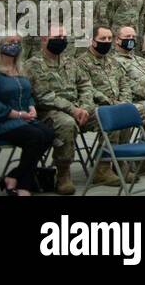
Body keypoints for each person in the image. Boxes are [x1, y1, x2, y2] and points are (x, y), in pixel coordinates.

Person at [25, 24, 96, 195]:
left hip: (78, 109)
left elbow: (85, 85)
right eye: (57, 37)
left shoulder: (70, 61)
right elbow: (44, 96)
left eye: (64, 37)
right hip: (48, 112)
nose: (62, 41)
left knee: (108, 115)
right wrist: (73, 110)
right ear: (44, 39)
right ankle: (63, 173)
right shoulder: (33, 64)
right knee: (66, 123)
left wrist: (85, 107)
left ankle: (104, 165)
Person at [0, 32, 54, 195]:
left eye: (18, 42)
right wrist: (17, 114)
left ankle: (13, 176)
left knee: (48, 133)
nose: (15, 45)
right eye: (11, 42)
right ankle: (24, 186)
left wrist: (31, 107)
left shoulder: (20, 67)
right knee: (35, 136)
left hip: (22, 120)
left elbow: (28, 94)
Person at [71, 25, 128, 186]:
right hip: (93, 108)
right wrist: (112, 103)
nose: (107, 42)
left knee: (126, 114)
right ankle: (102, 169)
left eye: (110, 39)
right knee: (114, 116)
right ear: (92, 41)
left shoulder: (113, 61)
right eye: (103, 39)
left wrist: (123, 102)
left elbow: (125, 84)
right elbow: (88, 89)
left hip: (115, 105)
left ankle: (120, 161)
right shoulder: (81, 62)